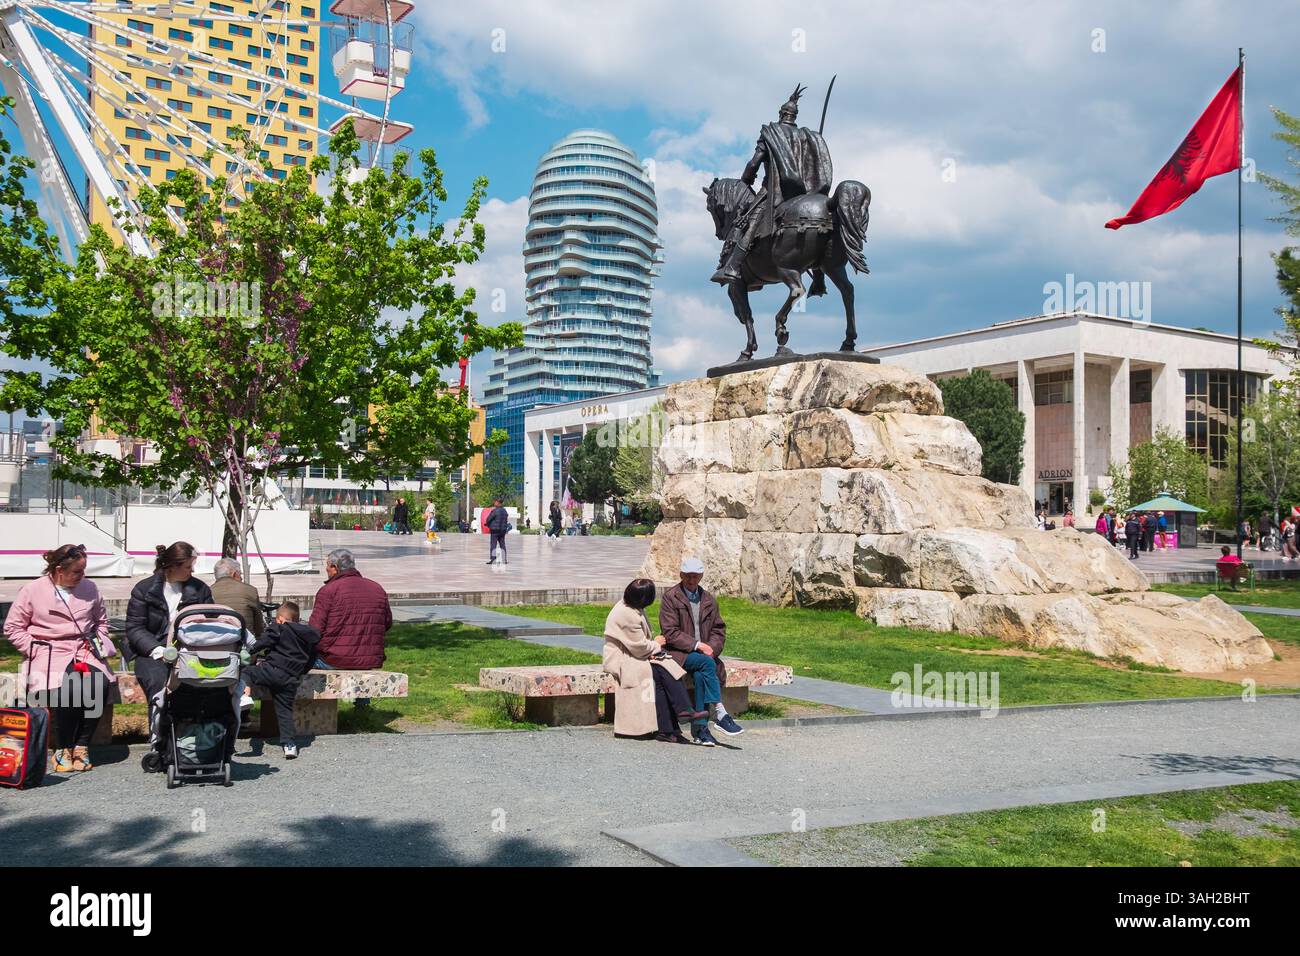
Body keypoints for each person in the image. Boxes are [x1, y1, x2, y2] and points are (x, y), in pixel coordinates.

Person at [4, 544, 117, 773]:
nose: (81, 576)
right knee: (68, 688)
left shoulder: (91, 588)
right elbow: (13, 627)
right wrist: (33, 648)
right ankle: (63, 747)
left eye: (83, 571)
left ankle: (82, 745)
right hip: (48, 651)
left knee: (100, 683)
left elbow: (101, 622)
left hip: (83, 648)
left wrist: (99, 639)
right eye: (76, 572)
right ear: (59, 570)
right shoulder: (32, 590)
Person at [125, 542, 213, 770]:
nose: (191, 572)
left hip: (188, 651)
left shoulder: (200, 590)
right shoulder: (144, 590)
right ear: (172, 566)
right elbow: (135, 629)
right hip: (151, 652)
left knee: (199, 685)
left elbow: (210, 622)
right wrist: (158, 650)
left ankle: (190, 742)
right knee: (158, 684)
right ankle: (159, 742)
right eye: (187, 567)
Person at [602, 579, 703, 744]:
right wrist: (657, 643)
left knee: (663, 670)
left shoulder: (633, 607)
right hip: (623, 657)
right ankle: (679, 716)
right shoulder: (627, 614)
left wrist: (653, 649)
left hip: (633, 653)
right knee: (657, 671)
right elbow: (639, 646)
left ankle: (672, 724)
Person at [659, 556, 744, 746]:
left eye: (695, 576)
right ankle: (720, 712)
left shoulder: (708, 600)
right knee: (706, 664)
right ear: (681, 575)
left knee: (701, 675)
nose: (691, 580)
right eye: (688, 576)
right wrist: (698, 646)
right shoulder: (670, 597)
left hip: (703, 656)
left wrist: (711, 649)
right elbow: (670, 632)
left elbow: (718, 630)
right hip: (678, 654)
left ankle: (700, 731)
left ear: (702, 575)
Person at [240, 601, 320, 759]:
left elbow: (262, 643)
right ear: (296, 619)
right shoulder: (308, 636)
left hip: (271, 670)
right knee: (284, 710)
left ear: (280, 619)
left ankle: (245, 695)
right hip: (291, 678)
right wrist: (300, 671)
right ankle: (289, 745)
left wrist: (249, 650)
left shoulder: (279, 628)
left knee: (246, 671)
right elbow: (312, 658)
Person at [485, 498, 509, 565]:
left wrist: (488, 524)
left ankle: (493, 559)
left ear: (498, 502)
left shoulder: (495, 511)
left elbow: (488, 519)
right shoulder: (505, 511)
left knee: (493, 544)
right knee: (502, 545)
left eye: (495, 502)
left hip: (495, 530)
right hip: (503, 530)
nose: (494, 503)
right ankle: (504, 559)